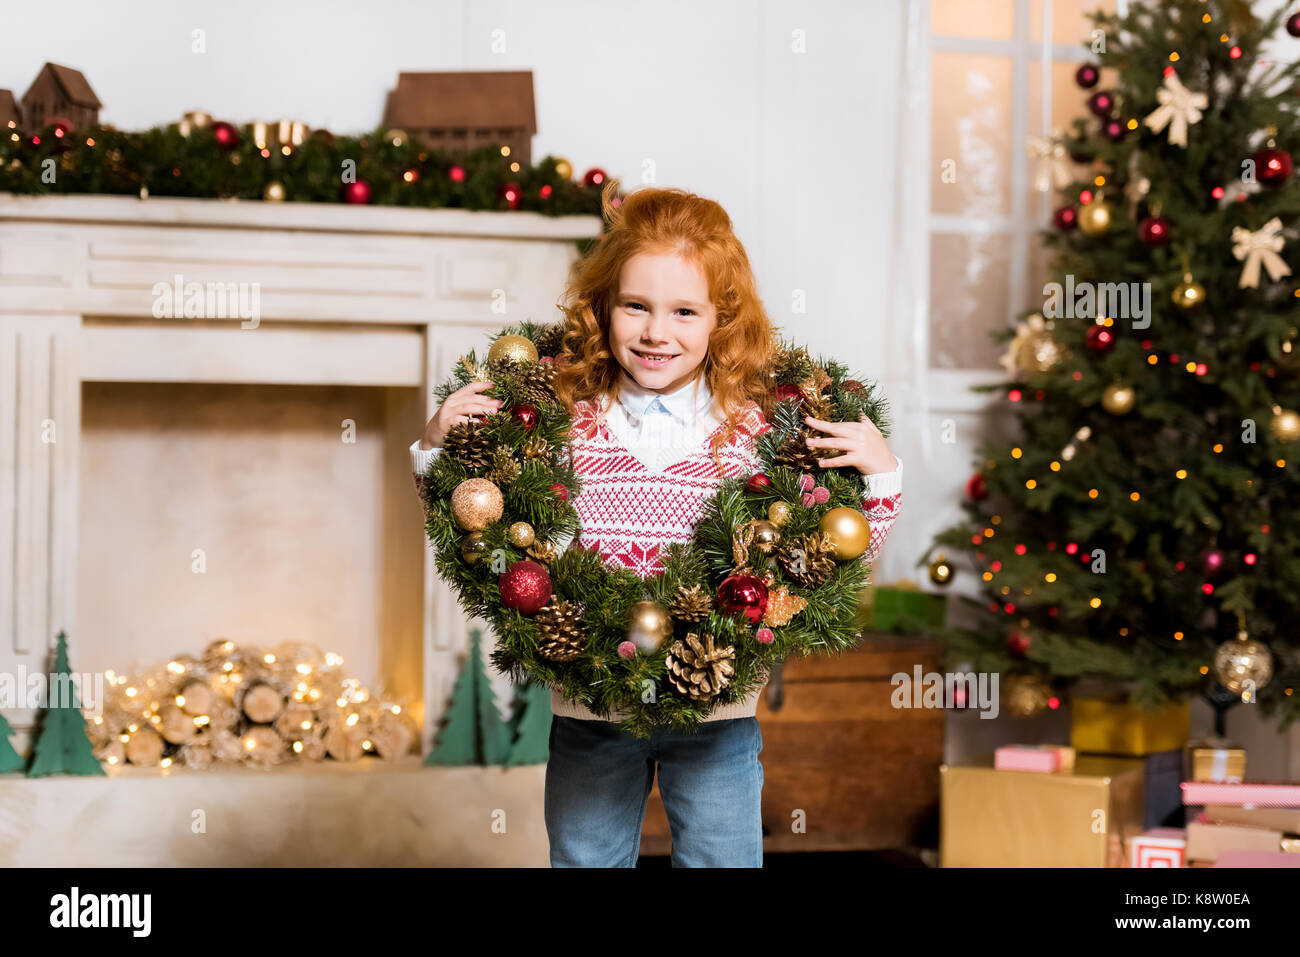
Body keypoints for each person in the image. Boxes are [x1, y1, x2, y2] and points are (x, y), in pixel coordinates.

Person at [411, 181, 902, 867]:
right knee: (585, 856)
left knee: (720, 858)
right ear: (603, 305)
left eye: (683, 311)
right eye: (635, 306)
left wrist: (879, 475)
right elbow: (473, 521)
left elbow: (829, 550)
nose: (655, 332)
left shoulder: (752, 427)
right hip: (590, 704)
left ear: (719, 319)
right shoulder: (565, 416)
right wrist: (439, 442)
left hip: (717, 710)